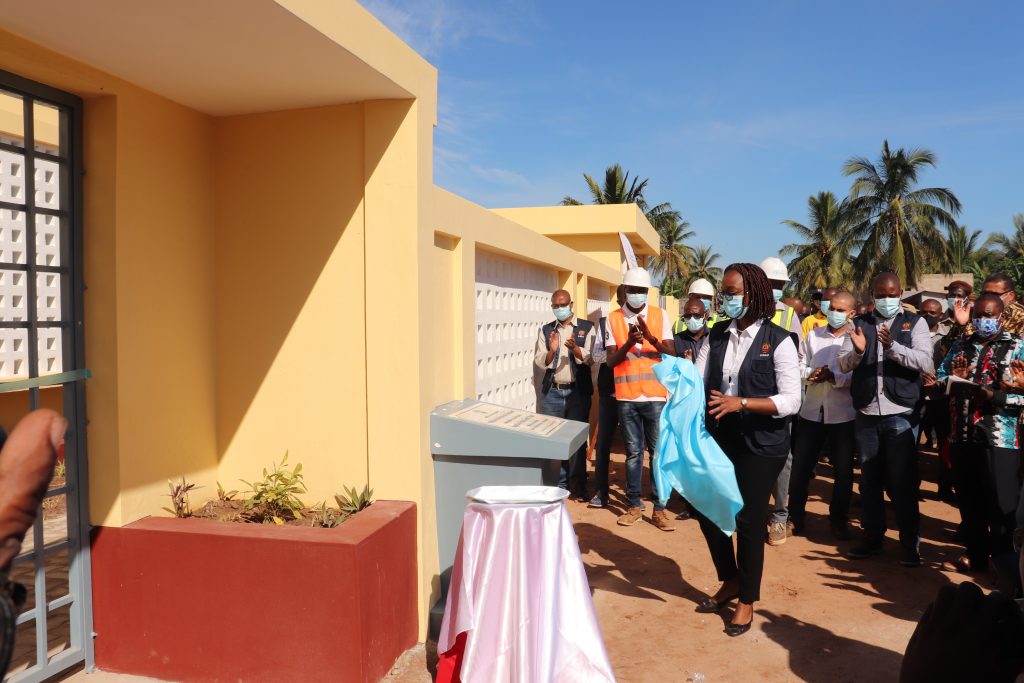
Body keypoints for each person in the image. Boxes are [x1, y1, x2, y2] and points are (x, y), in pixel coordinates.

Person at [692, 263, 801, 637]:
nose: (727, 298)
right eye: (724, 292)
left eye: (733, 291)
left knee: (749, 521)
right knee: (708, 511)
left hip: (763, 444)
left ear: (754, 294)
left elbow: (791, 400)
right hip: (721, 438)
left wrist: (742, 403)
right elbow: (697, 378)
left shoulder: (781, 339)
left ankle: (747, 599)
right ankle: (731, 579)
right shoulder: (716, 335)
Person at [838, 272, 933, 566]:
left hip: (901, 413)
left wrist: (893, 348)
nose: (887, 299)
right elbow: (842, 364)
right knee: (869, 480)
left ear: (901, 294)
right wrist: (857, 351)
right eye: (881, 294)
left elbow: (926, 362)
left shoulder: (915, 324)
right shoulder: (859, 324)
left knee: (902, 482)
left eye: (892, 294)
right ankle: (873, 537)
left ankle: (909, 543)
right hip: (867, 412)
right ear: (872, 294)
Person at [934, 293, 1024, 574]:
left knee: (1002, 504)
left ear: (1001, 316)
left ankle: (1006, 563)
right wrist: (952, 380)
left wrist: (995, 396)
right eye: (979, 316)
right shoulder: (962, 343)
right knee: (970, 501)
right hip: (962, 433)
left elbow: (1022, 395)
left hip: (1001, 436)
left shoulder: (1018, 347)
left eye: (990, 315)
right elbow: (939, 376)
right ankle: (976, 555)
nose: (984, 321)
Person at [604, 268, 677, 531]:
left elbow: (671, 352)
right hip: (627, 398)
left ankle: (660, 509)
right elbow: (611, 360)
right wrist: (628, 344)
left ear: (648, 292)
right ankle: (634, 505)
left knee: (658, 454)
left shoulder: (659, 315)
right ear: (624, 291)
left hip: (655, 395)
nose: (637, 295)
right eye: (632, 290)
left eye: (642, 290)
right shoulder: (613, 318)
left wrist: (650, 338)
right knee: (633, 454)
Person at [789, 291, 858, 540]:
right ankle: (795, 517)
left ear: (852, 313)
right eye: (832, 308)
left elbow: (859, 375)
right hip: (811, 410)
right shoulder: (813, 335)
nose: (834, 313)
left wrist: (835, 377)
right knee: (801, 468)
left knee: (843, 471)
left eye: (841, 310)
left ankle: (838, 519)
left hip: (843, 414)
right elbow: (797, 364)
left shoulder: (856, 338)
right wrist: (811, 373)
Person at [758, 257, 804, 546]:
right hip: (747, 400)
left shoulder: (789, 316)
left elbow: (799, 360)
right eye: (770, 284)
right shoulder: (744, 313)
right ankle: (752, 513)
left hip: (777, 403)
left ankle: (779, 517)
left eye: (779, 285)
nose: (774, 289)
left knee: (782, 461)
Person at [534, 289, 595, 498]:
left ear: (572, 304)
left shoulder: (586, 328)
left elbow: (591, 358)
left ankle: (578, 484)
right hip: (553, 392)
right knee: (554, 439)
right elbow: (541, 360)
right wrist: (552, 350)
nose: (559, 309)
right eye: (555, 306)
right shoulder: (546, 330)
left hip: (577, 393)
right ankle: (559, 485)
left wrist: (575, 349)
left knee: (577, 440)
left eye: (563, 304)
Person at [588, 286, 626, 508]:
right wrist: (620, 350)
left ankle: (634, 498)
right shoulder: (606, 323)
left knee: (635, 448)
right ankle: (600, 493)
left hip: (634, 392)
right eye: (623, 296)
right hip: (609, 391)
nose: (627, 300)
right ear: (619, 298)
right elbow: (597, 355)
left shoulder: (645, 321)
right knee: (603, 445)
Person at [919, 297, 955, 501]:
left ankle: (944, 489)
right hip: (917, 396)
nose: (927, 316)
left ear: (940, 315)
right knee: (909, 443)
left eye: (932, 313)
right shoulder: (911, 333)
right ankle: (910, 487)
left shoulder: (948, 336)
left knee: (944, 445)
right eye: (923, 312)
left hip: (941, 397)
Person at [952, 274, 1024, 337]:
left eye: (995, 294)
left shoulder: (1020, 318)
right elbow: (950, 347)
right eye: (985, 293)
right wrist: (960, 325)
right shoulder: (974, 313)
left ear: (1011, 296)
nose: (989, 297)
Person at [673, 296, 710, 361]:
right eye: (688, 316)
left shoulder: (715, 337)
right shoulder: (676, 340)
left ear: (705, 316)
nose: (692, 319)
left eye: (696, 315)